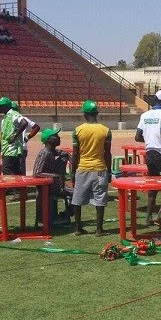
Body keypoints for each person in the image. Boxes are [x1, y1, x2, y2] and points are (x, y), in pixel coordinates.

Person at [71, 100, 112, 235]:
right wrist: (109, 171)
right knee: (100, 199)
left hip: (82, 168)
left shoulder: (78, 130)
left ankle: (77, 228)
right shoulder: (106, 131)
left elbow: (75, 154)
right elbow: (107, 153)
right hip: (100, 169)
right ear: (97, 113)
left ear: (84, 114)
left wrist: (72, 172)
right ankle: (99, 229)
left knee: (77, 199)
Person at [136, 89, 161, 227]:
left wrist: (150, 140)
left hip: (150, 154)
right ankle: (159, 216)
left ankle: (148, 218)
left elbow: (137, 137)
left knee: (153, 186)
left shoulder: (145, 115)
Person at [32, 128, 70, 227]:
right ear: (49, 140)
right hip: (47, 187)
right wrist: (56, 176)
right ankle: (65, 214)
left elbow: (61, 153)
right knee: (78, 194)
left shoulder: (52, 151)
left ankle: (64, 215)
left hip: (53, 185)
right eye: (55, 136)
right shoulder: (45, 153)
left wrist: (66, 155)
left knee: (63, 158)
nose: (58, 137)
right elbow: (37, 173)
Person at [0, 96, 28, 175]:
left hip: (11, 150)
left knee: (6, 169)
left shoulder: (13, 114)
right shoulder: (6, 117)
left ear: (6, 107)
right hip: (7, 150)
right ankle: (16, 187)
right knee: (14, 170)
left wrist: (15, 136)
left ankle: (11, 187)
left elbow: (24, 122)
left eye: (0, 105)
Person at [11, 102, 40, 175]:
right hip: (20, 148)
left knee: (14, 170)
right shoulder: (22, 119)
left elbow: (36, 127)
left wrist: (27, 137)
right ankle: (21, 185)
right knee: (20, 170)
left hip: (17, 148)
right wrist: (27, 138)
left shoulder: (21, 119)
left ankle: (18, 186)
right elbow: (36, 127)